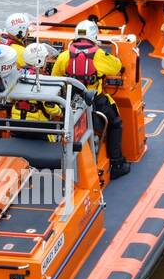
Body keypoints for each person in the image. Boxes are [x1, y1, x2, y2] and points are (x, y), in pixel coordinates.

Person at [51, 19, 130, 178]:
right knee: (115, 123)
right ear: (94, 36)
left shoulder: (65, 55)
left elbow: (55, 78)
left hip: (71, 104)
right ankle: (116, 163)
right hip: (95, 105)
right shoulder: (100, 55)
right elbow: (116, 66)